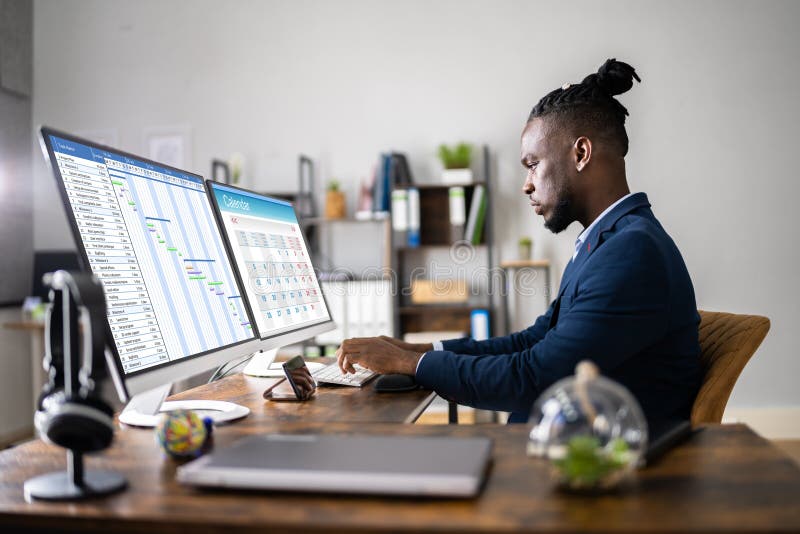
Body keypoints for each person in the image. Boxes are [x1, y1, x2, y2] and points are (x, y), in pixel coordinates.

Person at [337, 59, 702, 427]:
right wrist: (418, 350)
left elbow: (534, 378)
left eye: (533, 164)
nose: (526, 184)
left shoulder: (632, 252)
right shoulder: (607, 242)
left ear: (581, 154)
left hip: (597, 457)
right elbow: (534, 341)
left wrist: (410, 364)